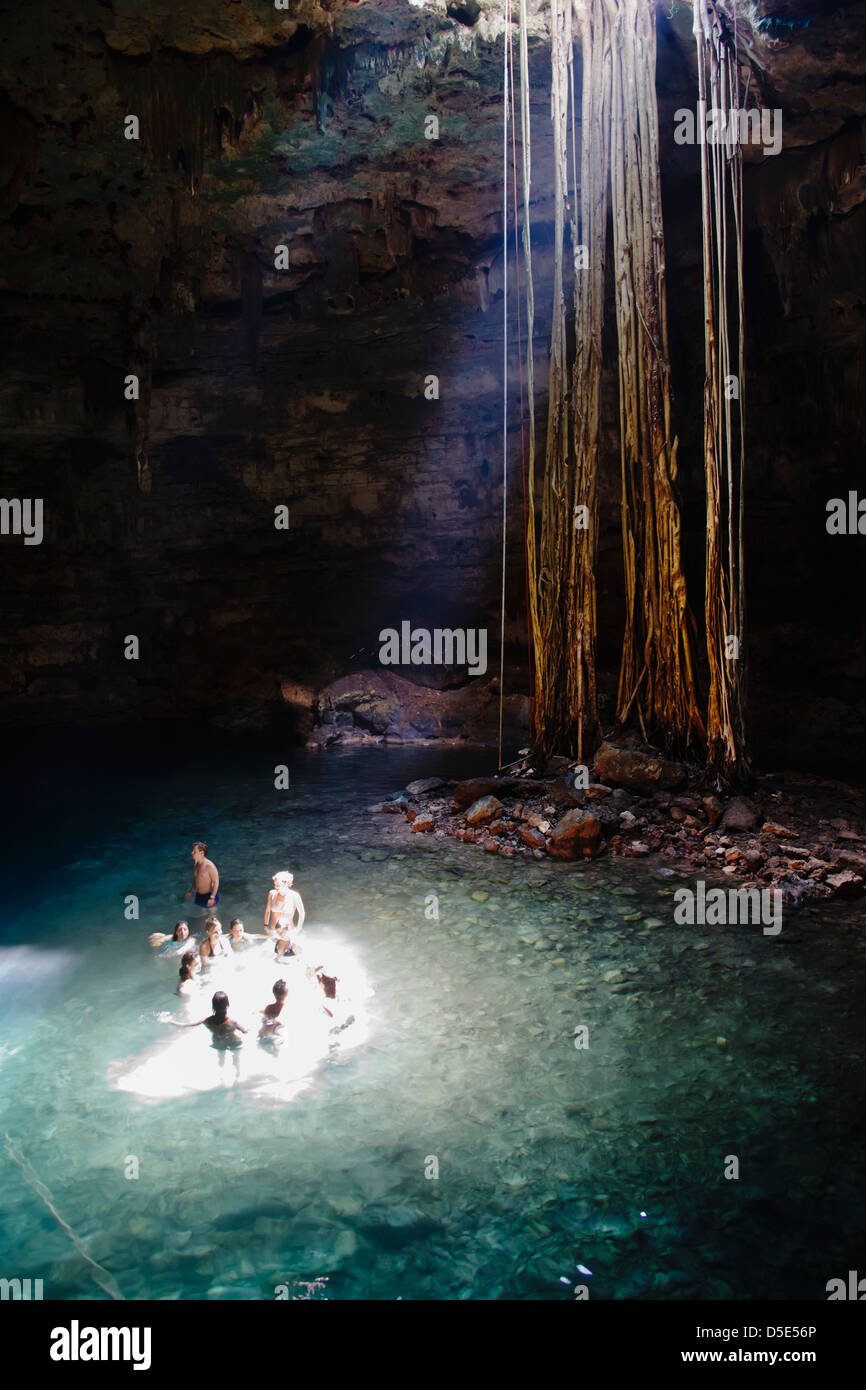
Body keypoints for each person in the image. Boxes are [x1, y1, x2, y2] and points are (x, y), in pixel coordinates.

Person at [163, 991, 247, 1047]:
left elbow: (188, 1025)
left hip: (218, 1044)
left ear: (213, 1006)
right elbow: (244, 1031)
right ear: (227, 1005)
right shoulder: (232, 1022)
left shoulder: (207, 1021)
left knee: (220, 1060)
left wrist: (172, 1022)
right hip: (233, 1043)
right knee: (236, 1061)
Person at [263, 872, 305, 938]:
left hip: (289, 931)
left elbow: (302, 913)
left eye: (278, 885)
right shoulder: (272, 893)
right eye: (275, 885)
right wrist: (265, 926)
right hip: (273, 931)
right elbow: (267, 911)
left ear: (286, 883)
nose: (276, 887)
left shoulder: (294, 896)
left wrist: (298, 929)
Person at [184, 841, 220, 910]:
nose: (192, 853)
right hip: (199, 895)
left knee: (212, 913)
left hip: (209, 895)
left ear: (201, 853)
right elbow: (196, 879)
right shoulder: (196, 864)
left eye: (194, 851)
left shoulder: (209, 866)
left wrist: (212, 897)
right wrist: (191, 891)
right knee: (202, 913)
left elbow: (216, 882)